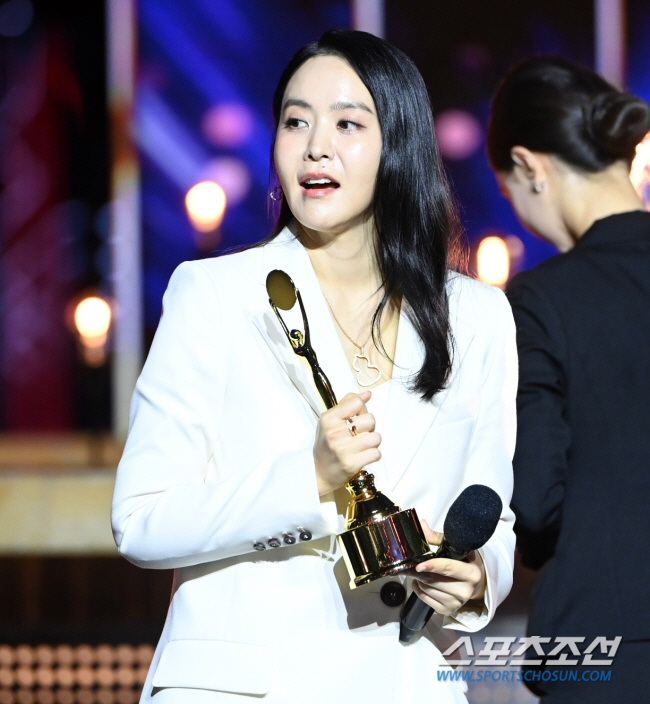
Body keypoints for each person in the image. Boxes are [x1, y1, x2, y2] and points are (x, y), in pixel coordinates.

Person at [112, 29, 517, 703]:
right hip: (245, 688)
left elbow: (491, 513)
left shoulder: (477, 317)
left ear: (399, 145)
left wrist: (476, 578)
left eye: (347, 124)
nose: (315, 146)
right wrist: (310, 479)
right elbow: (141, 519)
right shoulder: (215, 294)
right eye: (295, 121)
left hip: (401, 682)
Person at [487, 55, 650, 702]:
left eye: (510, 195)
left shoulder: (541, 301)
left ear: (530, 167)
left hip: (604, 646)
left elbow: (534, 499)